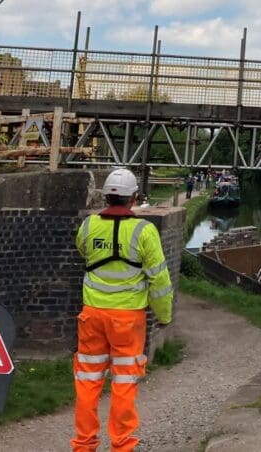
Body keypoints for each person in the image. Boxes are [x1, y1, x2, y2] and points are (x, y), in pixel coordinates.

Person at [72, 168, 173, 452]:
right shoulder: (144, 231)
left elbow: (83, 250)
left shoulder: (90, 226)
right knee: (124, 382)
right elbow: (160, 280)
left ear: (106, 196)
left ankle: (83, 445)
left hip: (91, 315)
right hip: (128, 320)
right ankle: (122, 446)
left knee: (88, 382)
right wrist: (164, 316)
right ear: (134, 198)